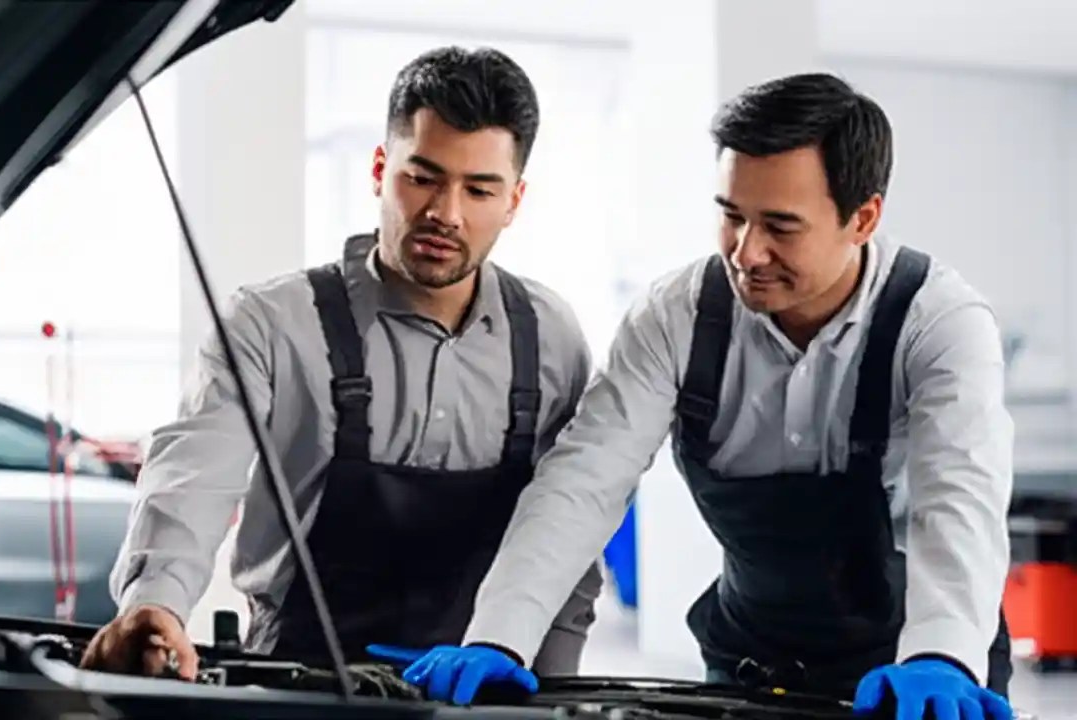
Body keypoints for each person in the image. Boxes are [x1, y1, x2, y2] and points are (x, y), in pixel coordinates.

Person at [393, 72, 1016, 720]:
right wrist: (501, 634)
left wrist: (940, 656)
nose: (747, 253)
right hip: (755, 660)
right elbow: (584, 479)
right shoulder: (676, 316)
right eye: (731, 215)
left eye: (781, 225)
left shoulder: (940, 321)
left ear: (863, 219)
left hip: (923, 668)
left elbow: (959, 496)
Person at [78, 45, 603, 680]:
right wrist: (154, 603)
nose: (446, 213)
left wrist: (554, 685)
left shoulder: (551, 338)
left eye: (479, 189)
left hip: (479, 691)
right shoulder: (272, 324)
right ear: (381, 168)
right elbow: (194, 476)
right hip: (295, 684)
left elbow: (568, 532)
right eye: (424, 176)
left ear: (514, 201)